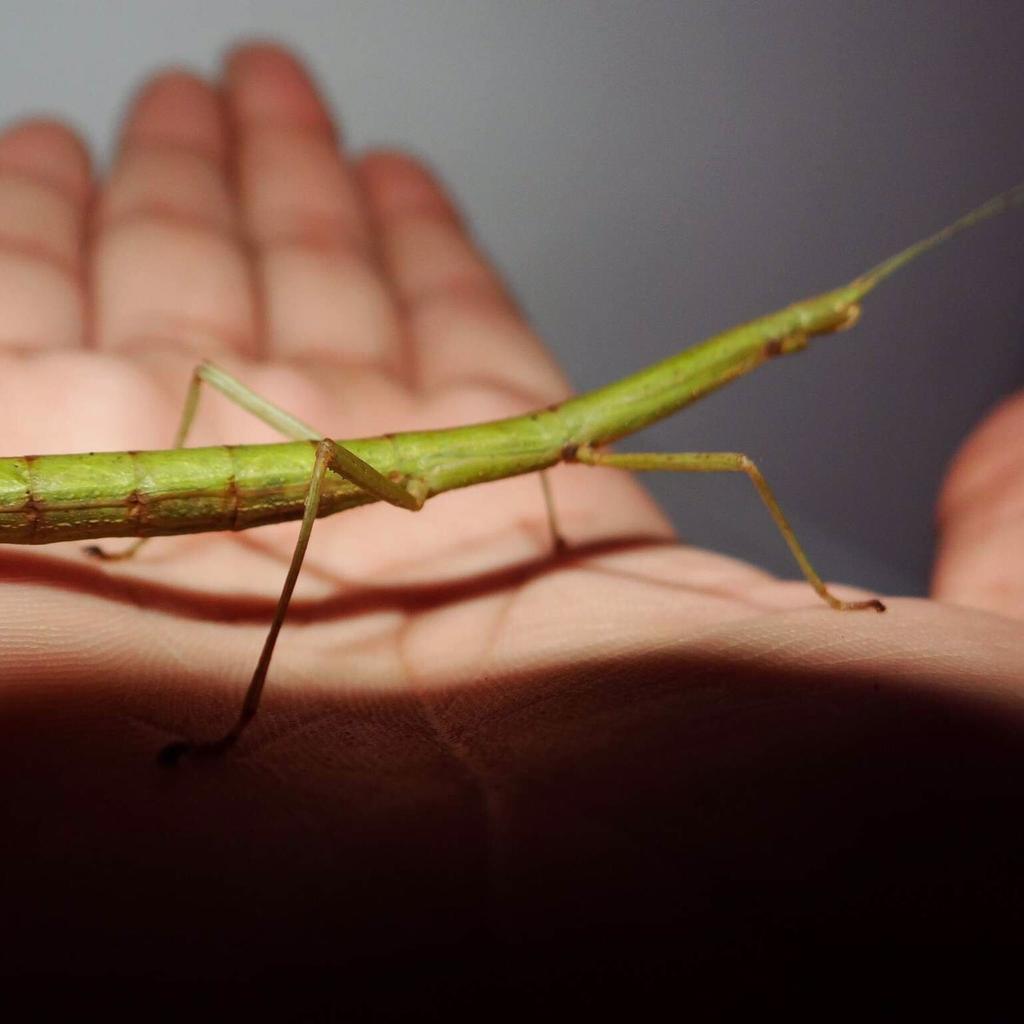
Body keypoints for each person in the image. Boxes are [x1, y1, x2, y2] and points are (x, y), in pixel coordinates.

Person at [2, 43, 1021, 1013]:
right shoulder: (573, 440)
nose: (807, 333)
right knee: (317, 456)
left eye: (804, 330)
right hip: (141, 486)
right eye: (800, 328)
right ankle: (242, 710)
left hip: (297, 472)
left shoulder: (566, 448)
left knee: (282, 423)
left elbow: (556, 452)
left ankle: (149, 566)